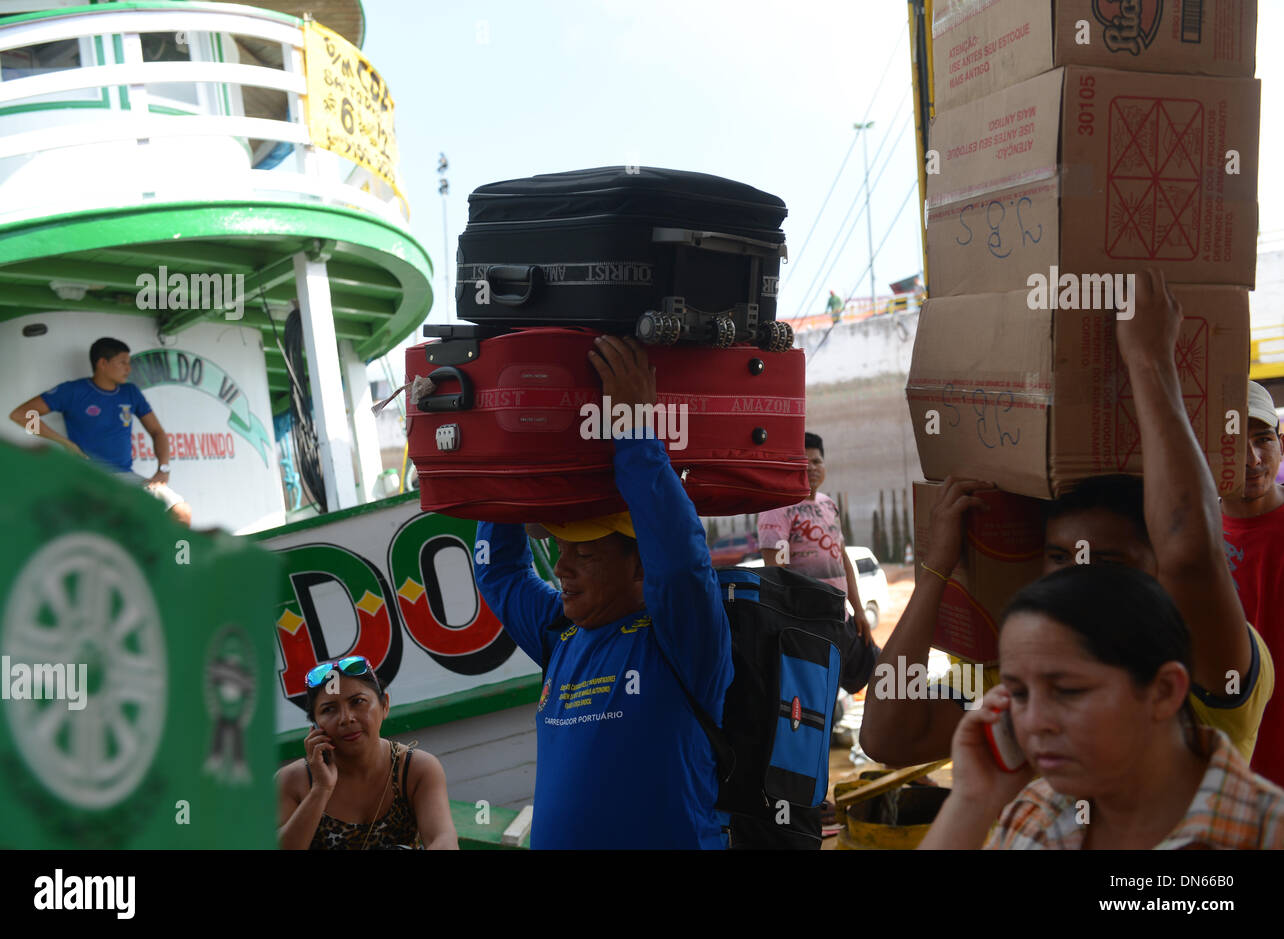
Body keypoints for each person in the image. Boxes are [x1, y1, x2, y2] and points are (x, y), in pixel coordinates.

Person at [862, 270, 1273, 765]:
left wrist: (1150, 358)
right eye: (1060, 556)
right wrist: (933, 571)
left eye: (1109, 561)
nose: (1079, 577)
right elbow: (887, 737)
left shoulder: (1200, 666)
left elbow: (1190, 554)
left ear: (1159, 570)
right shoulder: (1031, 682)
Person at [473, 335, 733, 849]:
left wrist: (635, 431)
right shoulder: (559, 635)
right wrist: (507, 460)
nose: (562, 567)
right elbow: (497, 572)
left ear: (640, 564)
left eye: (585, 553)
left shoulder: (682, 639)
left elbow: (682, 562)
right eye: (562, 548)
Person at [919, 564, 1284, 849]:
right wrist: (971, 801)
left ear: (1164, 691)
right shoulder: (1038, 813)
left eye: (1068, 691)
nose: (1033, 723)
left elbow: (1191, 552)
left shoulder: (1265, 833)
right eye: (1019, 693)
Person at [275, 656, 458, 850]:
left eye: (358, 702)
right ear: (315, 725)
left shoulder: (415, 768)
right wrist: (321, 789)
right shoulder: (293, 781)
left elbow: (443, 839)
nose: (346, 718)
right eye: (329, 709)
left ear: (384, 705)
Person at [8, 337, 192, 525]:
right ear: (102, 363)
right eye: (123, 363)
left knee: (181, 511)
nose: (128, 369)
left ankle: (173, 555)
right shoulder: (73, 391)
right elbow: (20, 415)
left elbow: (157, 432)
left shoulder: (130, 392)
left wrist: (163, 469)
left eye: (128, 363)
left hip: (125, 477)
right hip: (87, 477)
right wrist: (65, 443)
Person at [759, 431, 878, 695]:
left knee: (876, 669)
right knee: (815, 697)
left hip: (840, 616)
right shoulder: (778, 507)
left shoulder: (829, 505)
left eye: (817, 461)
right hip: (808, 622)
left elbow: (842, 558)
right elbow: (776, 573)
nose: (811, 467)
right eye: (804, 462)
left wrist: (858, 610)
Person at [1222, 381, 1284, 787]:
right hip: (1230, 763)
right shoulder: (1188, 533)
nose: (1251, 459)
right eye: (1231, 443)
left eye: (1263, 439)